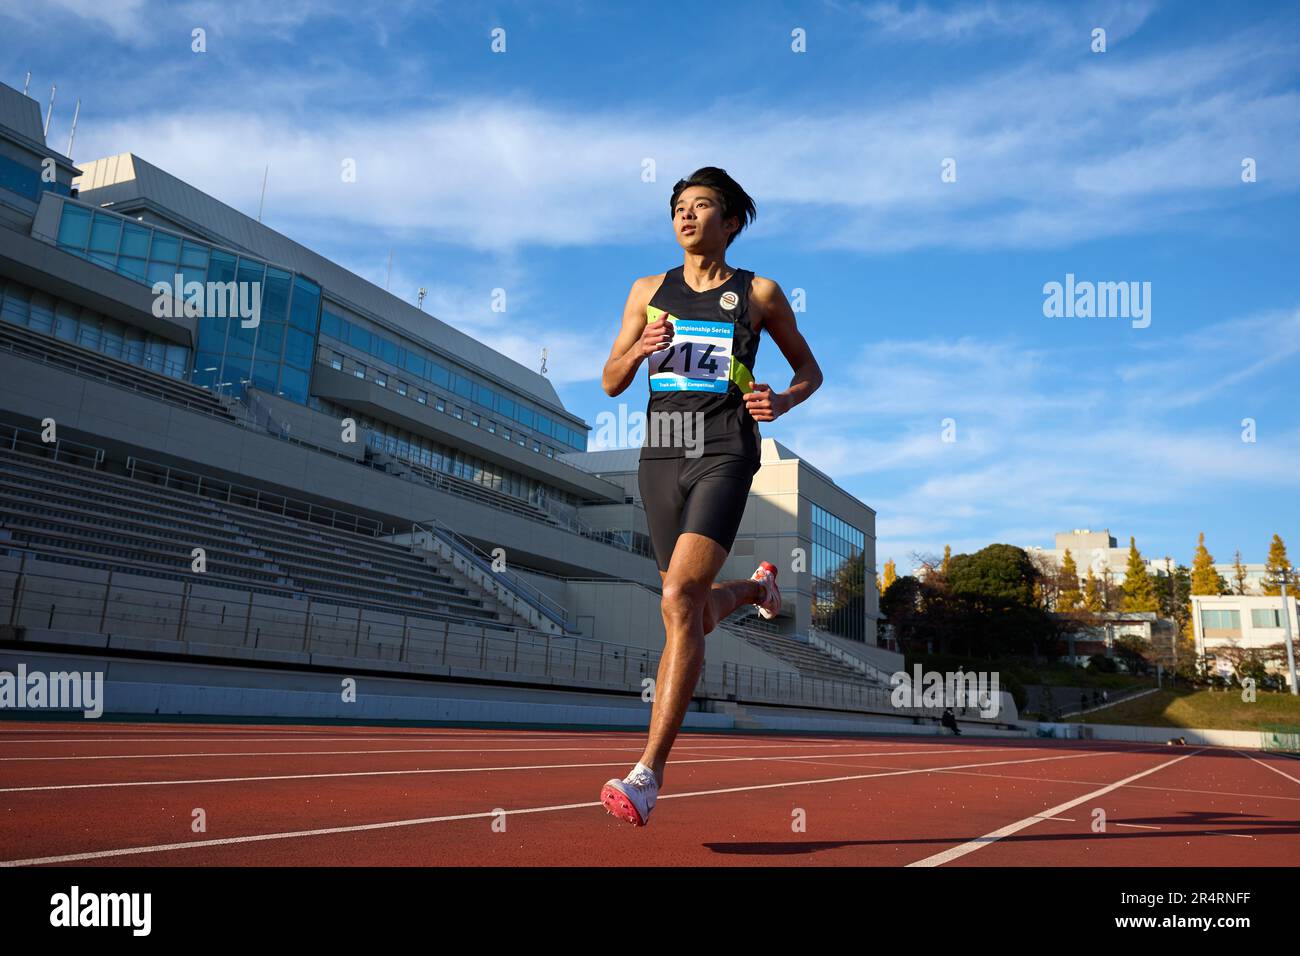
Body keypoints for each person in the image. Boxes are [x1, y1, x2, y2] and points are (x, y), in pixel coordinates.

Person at [597, 167, 822, 826]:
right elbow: (609, 380)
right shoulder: (648, 289)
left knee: (677, 599)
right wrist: (640, 347)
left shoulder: (759, 293)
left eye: (702, 207)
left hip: (725, 448)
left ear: (729, 223)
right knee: (687, 616)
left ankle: (647, 775)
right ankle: (755, 592)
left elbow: (811, 369)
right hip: (659, 454)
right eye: (679, 208)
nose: (687, 217)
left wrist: (782, 399)